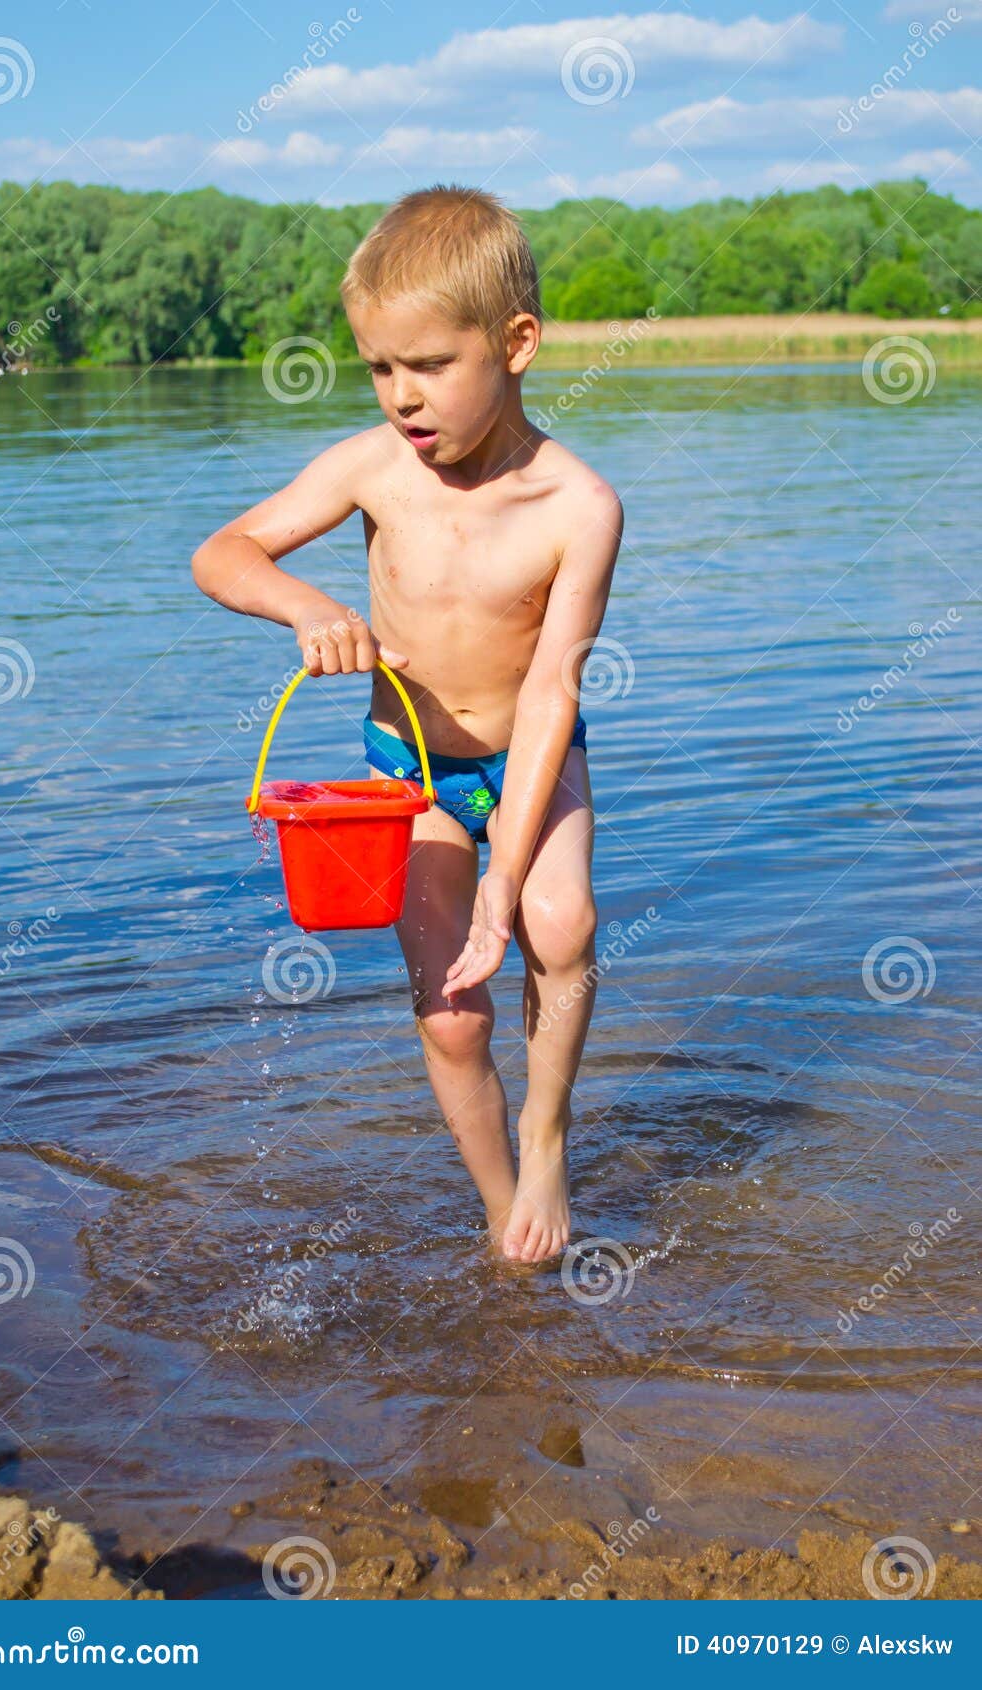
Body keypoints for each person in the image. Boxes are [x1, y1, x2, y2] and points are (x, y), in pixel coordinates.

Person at [192, 184, 623, 1265]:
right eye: (379, 368)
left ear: (515, 343)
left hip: (530, 752)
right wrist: (308, 608)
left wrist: (506, 873)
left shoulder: (577, 506)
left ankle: (545, 1133)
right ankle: (501, 1209)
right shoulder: (373, 470)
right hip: (414, 771)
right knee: (450, 1012)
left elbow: (552, 693)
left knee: (560, 923)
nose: (401, 397)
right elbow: (223, 554)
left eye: (429, 364)